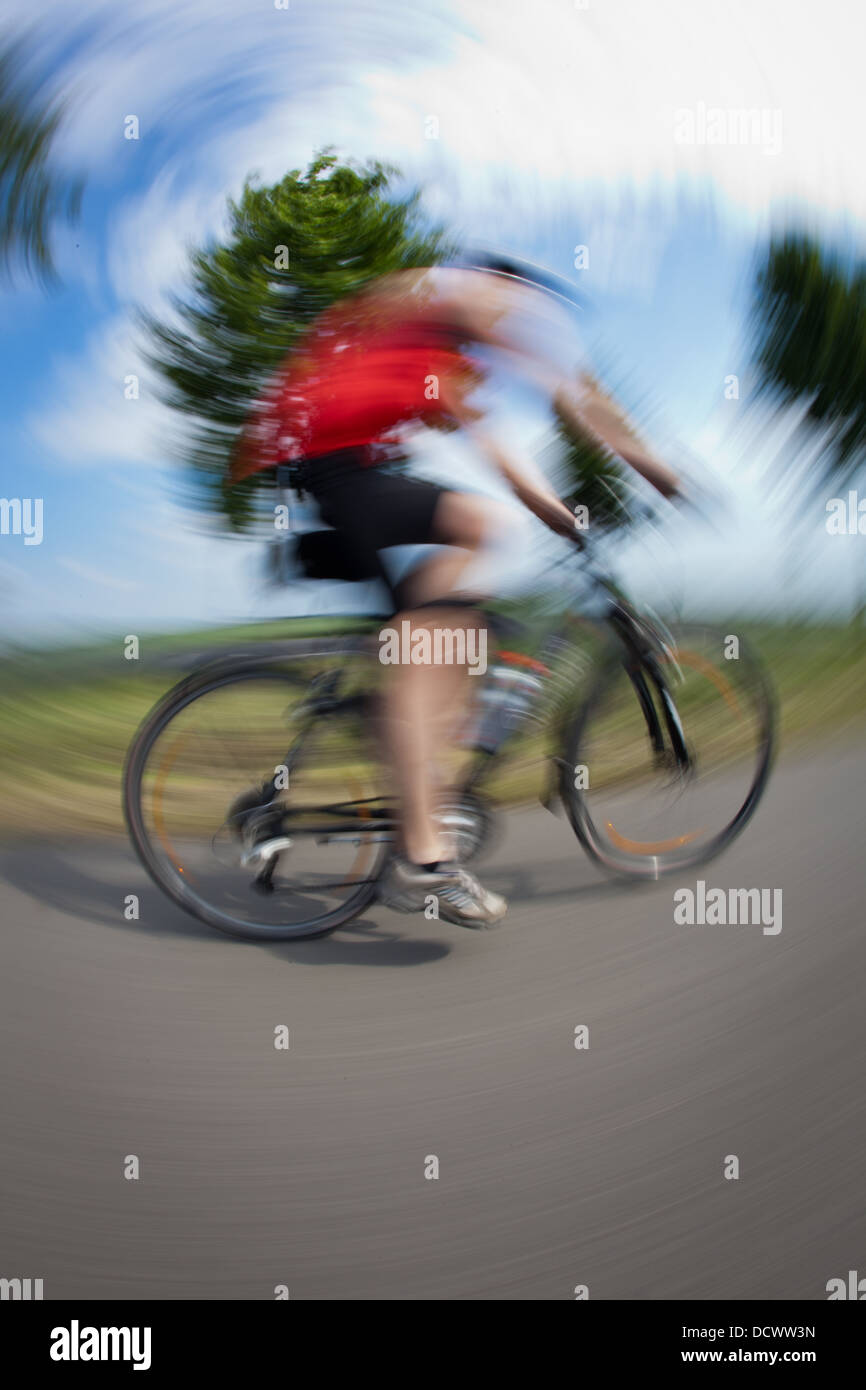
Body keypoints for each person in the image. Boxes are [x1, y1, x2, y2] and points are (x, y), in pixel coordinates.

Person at [232, 256, 680, 927]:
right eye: (519, 305)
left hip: (341, 466)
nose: (520, 323)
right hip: (335, 467)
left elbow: (483, 428)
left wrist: (542, 501)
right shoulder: (457, 293)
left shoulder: (435, 344)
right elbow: (567, 387)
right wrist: (653, 471)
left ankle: (419, 772)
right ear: (500, 286)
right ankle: (424, 860)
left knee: (460, 628)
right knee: (469, 542)